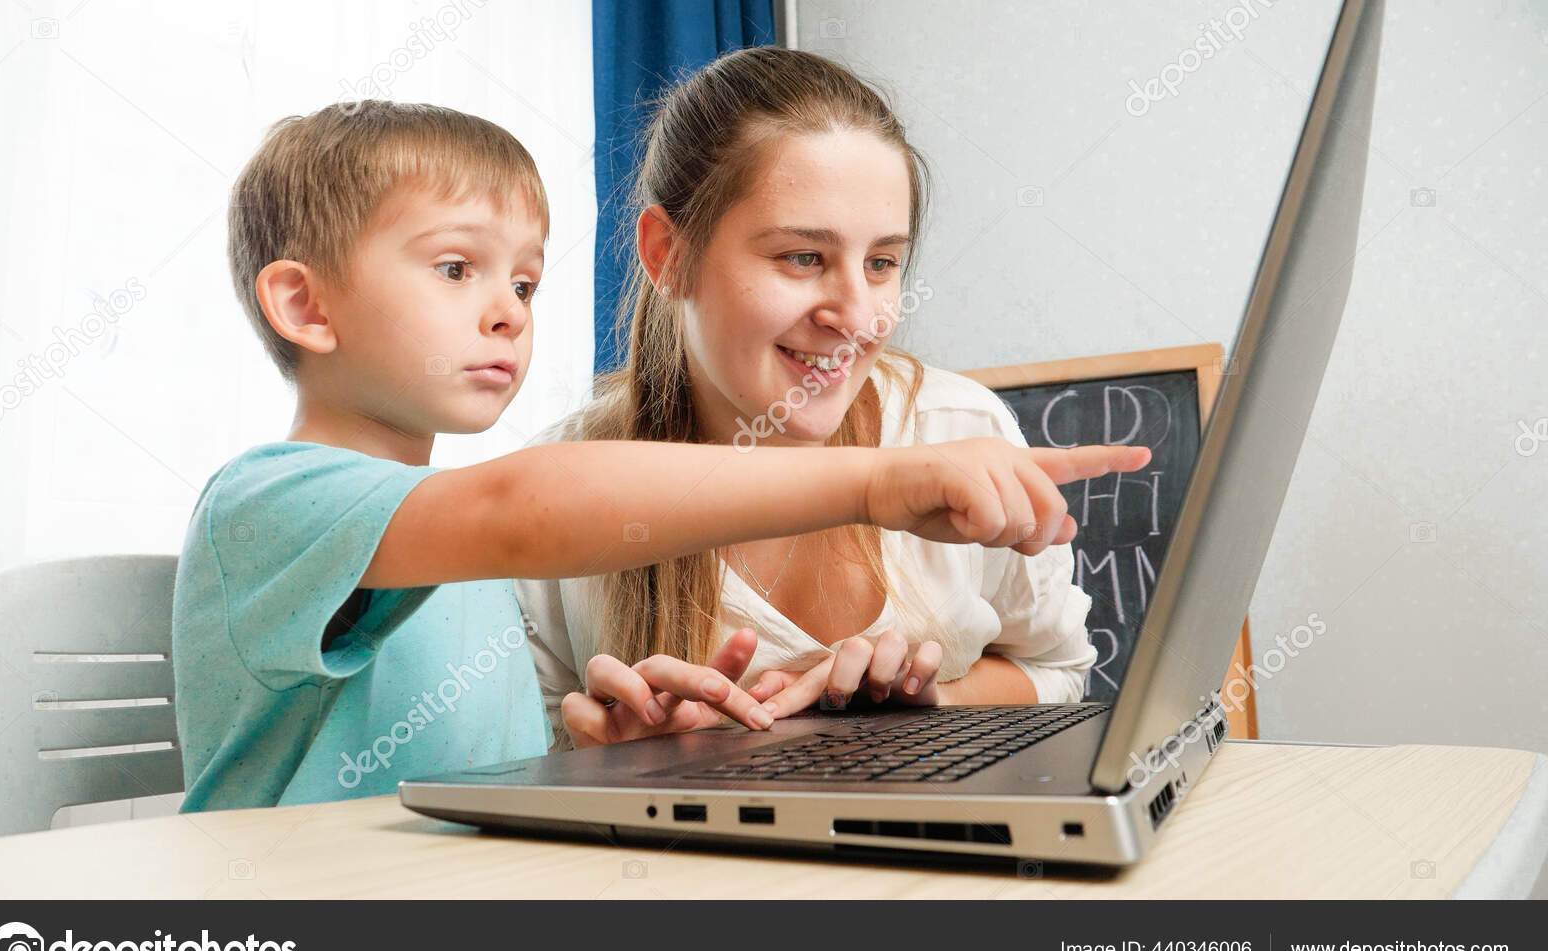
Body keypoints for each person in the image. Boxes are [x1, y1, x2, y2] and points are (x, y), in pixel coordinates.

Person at [173, 99, 1146, 810]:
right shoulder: (268, 504)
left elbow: (484, 762)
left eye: (526, 278)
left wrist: (622, 752)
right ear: (305, 303)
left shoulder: (443, 543)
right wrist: (880, 481)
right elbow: (526, 510)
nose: (509, 308)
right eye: (456, 266)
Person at [518, 48, 1144, 750]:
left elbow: (1058, 670)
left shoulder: (959, 429)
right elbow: (535, 754)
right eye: (803, 257)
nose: (857, 314)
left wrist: (932, 705)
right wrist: (612, 761)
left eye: (881, 263)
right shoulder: (557, 495)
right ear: (669, 255)